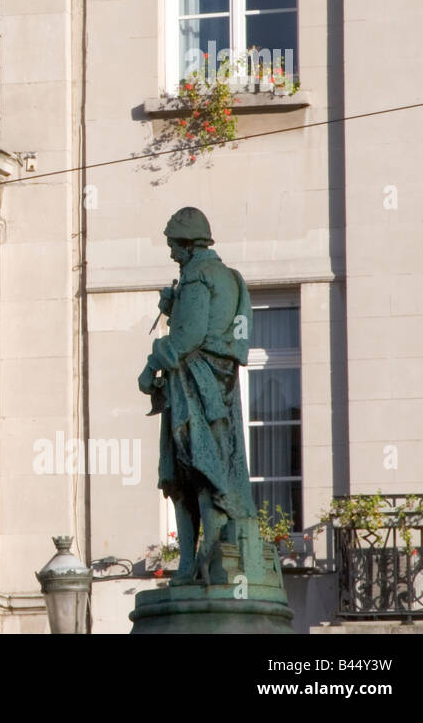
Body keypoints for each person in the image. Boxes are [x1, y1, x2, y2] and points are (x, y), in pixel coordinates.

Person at [137, 207, 255, 584]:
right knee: (206, 472)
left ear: (188, 244)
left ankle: (191, 563)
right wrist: (174, 307)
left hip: (191, 387)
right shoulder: (231, 278)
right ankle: (208, 558)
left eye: (173, 245)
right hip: (219, 390)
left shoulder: (197, 276)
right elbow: (222, 332)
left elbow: (186, 340)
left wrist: (151, 363)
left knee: (189, 474)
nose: (172, 253)